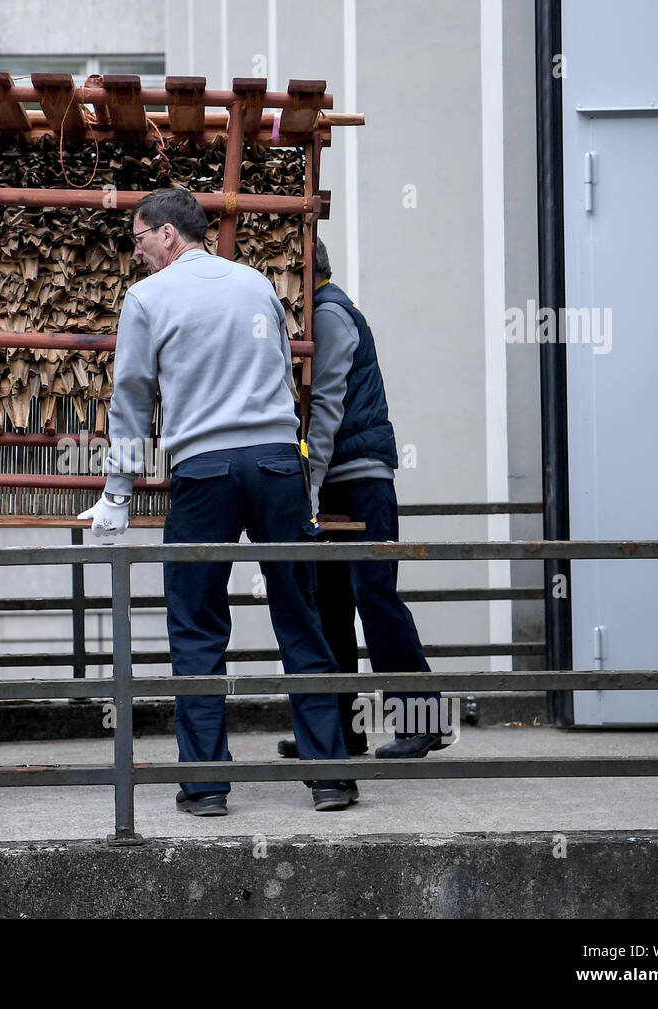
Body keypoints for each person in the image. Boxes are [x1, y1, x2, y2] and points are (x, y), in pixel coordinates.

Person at [79, 188, 356, 814]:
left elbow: (131, 399)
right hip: (277, 462)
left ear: (169, 235)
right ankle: (330, 776)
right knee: (300, 614)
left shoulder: (148, 298)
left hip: (204, 470)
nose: (137, 251)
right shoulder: (256, 283)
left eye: (140, 237)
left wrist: (116, 494)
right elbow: (286, 372)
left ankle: (204, 786)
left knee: (197, 623)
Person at [279, 239, 450, 760]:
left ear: (304, 276)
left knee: (373, 595)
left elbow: (327, 408)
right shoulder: (329, 311)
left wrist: (307, 488)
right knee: (331, 602)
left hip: (359, 481)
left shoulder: (330, 316)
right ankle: (341, 732)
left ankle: (424, 722)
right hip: (342, 478)